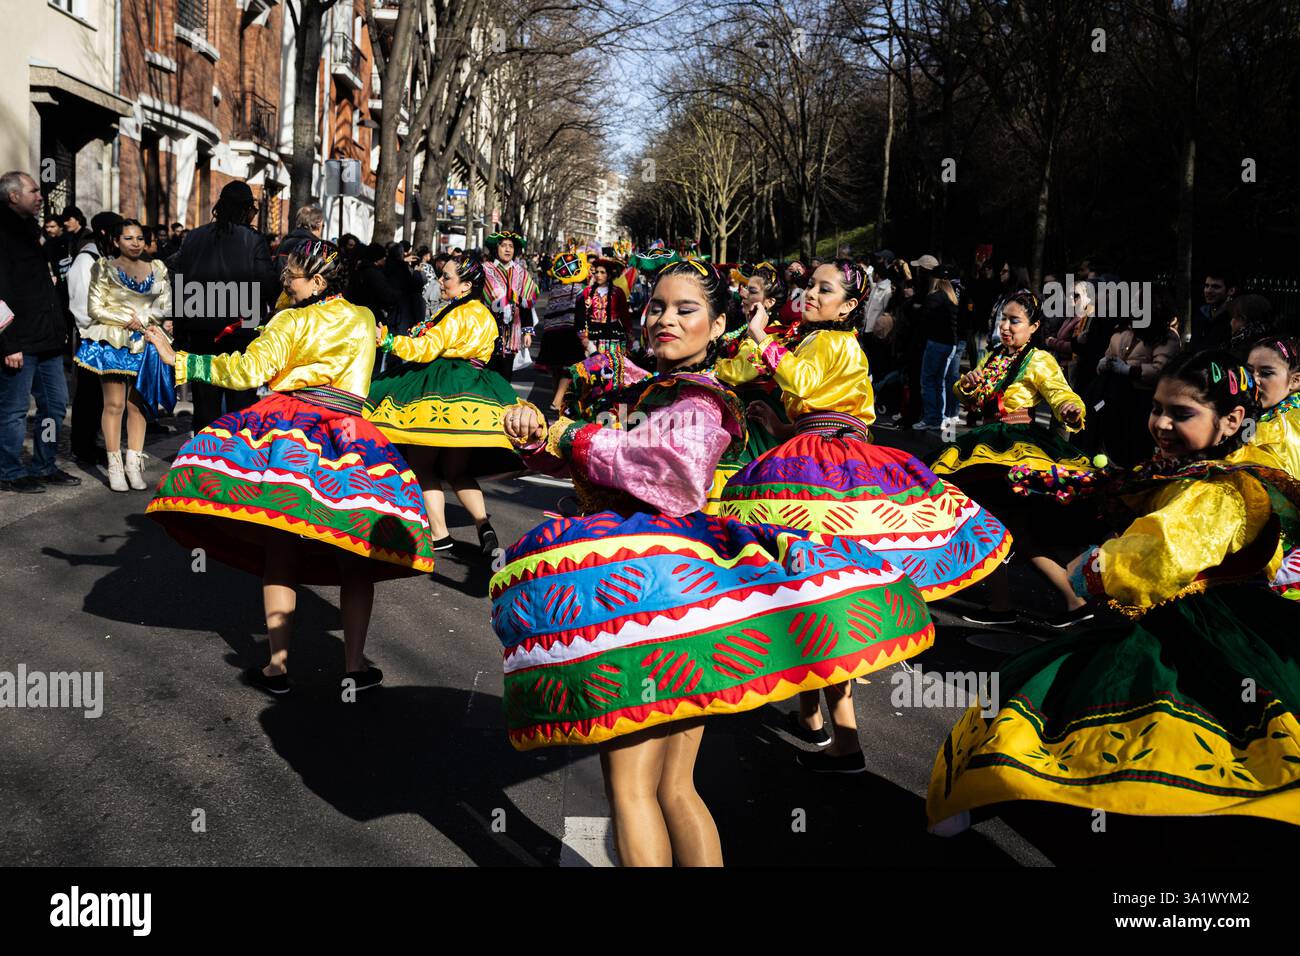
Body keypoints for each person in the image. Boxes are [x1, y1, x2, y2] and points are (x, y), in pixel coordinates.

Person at [494, 259, 936, 865]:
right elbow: (603, 464)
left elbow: (672, 478)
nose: (665, 319)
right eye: (656, 307)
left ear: (719, 322)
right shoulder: (652, 391)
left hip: (644, 595)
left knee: (631, 790)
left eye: (685, 309)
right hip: (671, 591)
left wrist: (569, 436)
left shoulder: (700, 397)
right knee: (673, 787)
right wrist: (539, 438)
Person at [929, 351, 1300, 844]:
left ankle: (987, 791)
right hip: (1191, 621)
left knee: (1053, 695)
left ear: (1232, 420)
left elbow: (1162, 551)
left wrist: (1094, 569)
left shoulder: (1224, 489)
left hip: (1201, 627)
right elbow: (1144, 499)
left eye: (1182, 414)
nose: (1162, 423)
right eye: (1158, 408)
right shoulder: (1197, 469)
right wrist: (1095, 487)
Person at [717, 260, 1011, 772]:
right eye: (808, 285)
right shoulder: (812, 339)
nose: (810, 293)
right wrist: (781, 424)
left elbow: (808, 386)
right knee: (804, 584)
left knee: (821, 587)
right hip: (808, 455)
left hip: (830, 472)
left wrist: (764, 340)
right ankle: (811, 716)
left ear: (850, 306)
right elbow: (818, 407)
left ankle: (847, 741)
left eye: (823, 289)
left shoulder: (836, 342)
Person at [144, 240, 436, 694]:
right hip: (352, 436)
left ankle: (277, 667)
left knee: (280, 543)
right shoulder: (361, 316)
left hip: (291, 429)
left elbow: (245, 372)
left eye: (292, 275)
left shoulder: (289, 321)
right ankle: (354, 668)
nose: (284, 280)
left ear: (318, 280)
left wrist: (179, 359)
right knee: (355, 547)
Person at [931, 289, 1091, 627]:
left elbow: (1058, 392)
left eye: (1014, 321)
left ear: (1033, 327)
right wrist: (969, 384)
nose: (1006, 327)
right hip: (986, 444)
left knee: (1000, 526)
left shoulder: (1039, 360)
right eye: (1002, 319)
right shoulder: (994, 356)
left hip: (1013, 449)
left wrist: (1069, 407)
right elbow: (968, 397)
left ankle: (1048, 602)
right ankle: (1019, 603)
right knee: (994, 526)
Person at [365, 254, 520, 558]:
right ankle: (483, 525)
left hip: (439, 389)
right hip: (474, 392)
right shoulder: (482, 314)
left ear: (466, 285)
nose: (441, 281)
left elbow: (425, 349)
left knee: (423, 466)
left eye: (447, 277)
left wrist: (388, 342)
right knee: (456, 470)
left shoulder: (458, 315)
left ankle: (440, 534)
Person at [166, 181, 278, 433]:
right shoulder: (252, 240)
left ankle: (203, 459)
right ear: (246, 210)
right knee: (241, 404)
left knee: (205, 405)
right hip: (240, 331)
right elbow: (268, 284)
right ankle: (235, 461)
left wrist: (182, 331)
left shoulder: (194, 237)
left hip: (201, 329)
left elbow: (180, 283)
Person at [76, 219, 173, 492]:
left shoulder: (158, 267)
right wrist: (125, 319)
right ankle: (115, 465)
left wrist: (144, 320)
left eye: (140, 238)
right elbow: (95, 307)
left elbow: (165, 304)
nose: (135, 243)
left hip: (146, 340)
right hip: (113, 341)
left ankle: (133, 464)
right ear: (117, 241)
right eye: (129, 238)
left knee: (137, 405)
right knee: (114, 405)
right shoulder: (103, 267)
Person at [0, 171, 81, 492]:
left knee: (55, 405)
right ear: (13, 196)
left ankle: (45, 464)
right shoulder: (4, 233)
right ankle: (9, 471)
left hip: (47, 339)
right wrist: (8, 344)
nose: (40, 196)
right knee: (14, 410)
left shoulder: (31, 230)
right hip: (18, 342)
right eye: (33, 191)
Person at [1091, 289, 1182, 467]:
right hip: (1114, 397)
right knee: (1114, 442)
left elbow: (1162, 369)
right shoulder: (1123, 331)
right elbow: (1108, 355)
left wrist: (1129, 370)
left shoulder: (1165, 336)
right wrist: (1103, 364)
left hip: (1143, 400)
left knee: (1137, 447)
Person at [67, 211, 121, 467]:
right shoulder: (85, 261)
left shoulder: (104, 258)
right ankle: (82, 446)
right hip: (92, 337)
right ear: (103, 233)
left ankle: (92, 442)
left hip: (107, 336)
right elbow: (79, 304)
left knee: (101, 396)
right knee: (87, 395)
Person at [537, 251, 590, 414]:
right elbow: (581, 314)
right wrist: (583, 336)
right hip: (569, 331)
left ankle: (557, 402)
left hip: (551, 332)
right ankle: (558, 401)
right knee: (570, 368)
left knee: (556, 369)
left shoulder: (554, 288)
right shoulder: (581, 290)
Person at [483, 231, 539, 383]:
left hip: (511, 332)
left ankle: (503, 405)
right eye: (504, 246)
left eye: (511, 246)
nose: (507, 249)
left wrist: (527, 331)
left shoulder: (522, 273)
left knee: (505, 375)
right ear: (496, 248)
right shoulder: (485, 270)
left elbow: (526, 303)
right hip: (488, 329)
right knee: (487, 374)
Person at [916, 264, 963, 431]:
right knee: (940, 381)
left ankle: (932, 417)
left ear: (934, 279)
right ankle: (940, 417)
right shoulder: (953, 297)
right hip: (951, 343)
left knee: (928, 380)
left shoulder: (934, 297)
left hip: (936, 342)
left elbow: (924, 322)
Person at [1246, 335, 1300, 477]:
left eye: (1266, 373)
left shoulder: (1277, 430)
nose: (1254, 380)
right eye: (1249, 371)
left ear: (1295, 381)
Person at [1190, 269, 1238, 352]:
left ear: (1231, 290)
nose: (1208, 291)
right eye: (1207, 286)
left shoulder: (1235, 316)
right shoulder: (1201, 313)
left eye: (1216, 287)